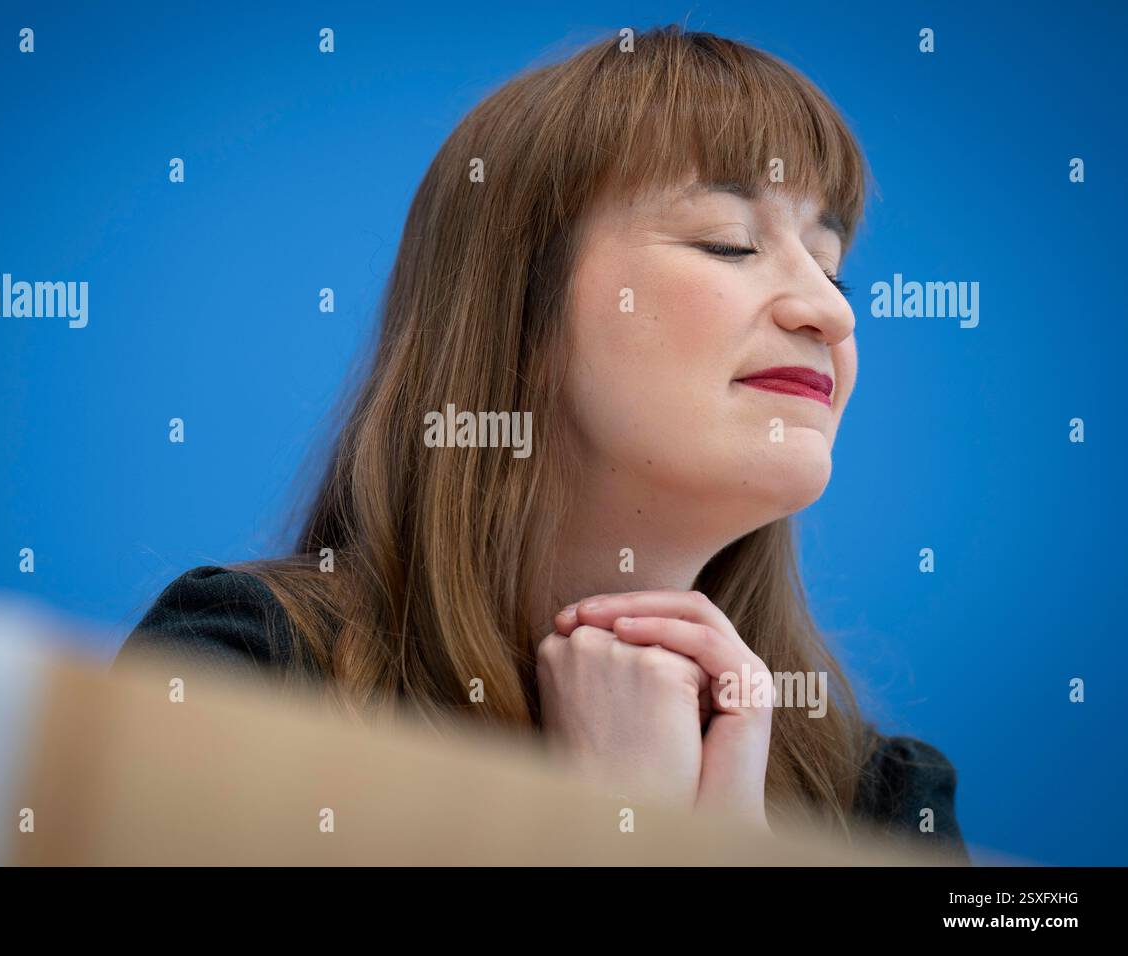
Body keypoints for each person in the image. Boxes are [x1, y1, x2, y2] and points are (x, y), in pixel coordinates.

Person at [114, 26, 968, 863]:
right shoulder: (245, 673)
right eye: (729, 243)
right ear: (521, 311)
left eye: (831, 265)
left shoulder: (881, 806)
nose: (832, 311)